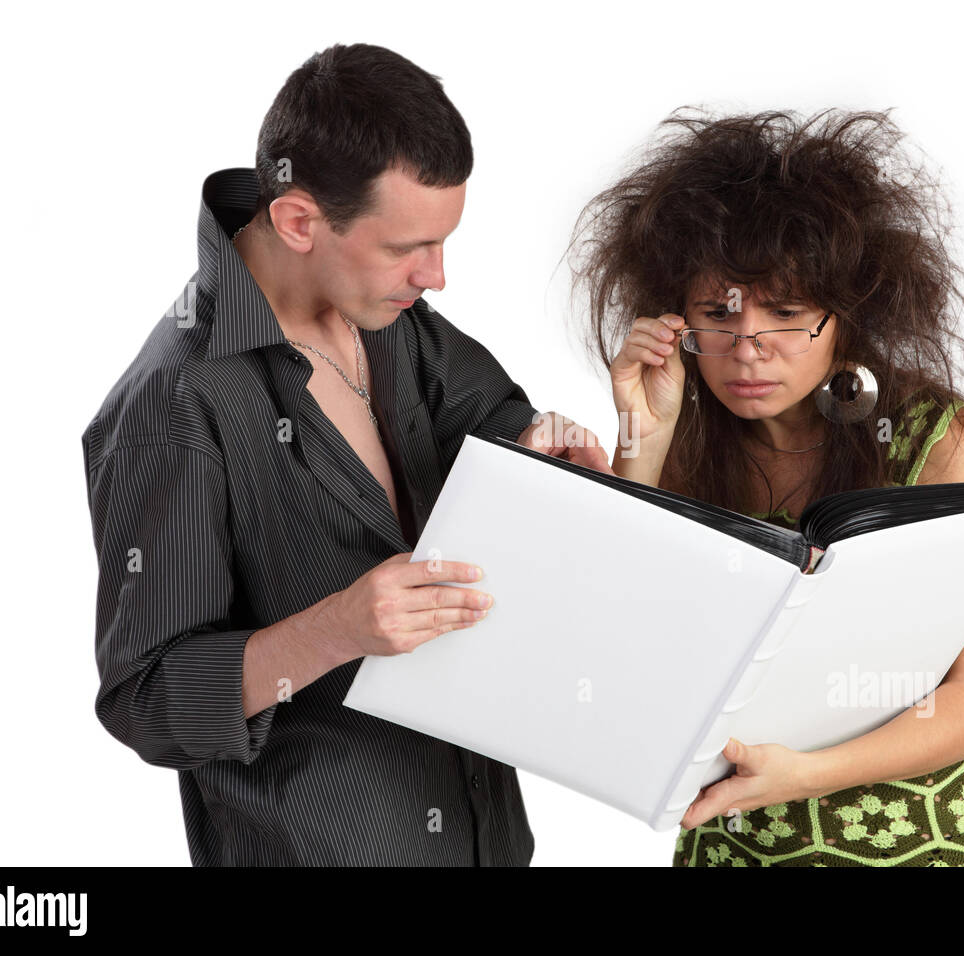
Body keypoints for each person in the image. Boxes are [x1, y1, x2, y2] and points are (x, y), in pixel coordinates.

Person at [81, 43, 607, 866]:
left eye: (443, 241)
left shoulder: (390, 318)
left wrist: (548, 457)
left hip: (485, 836)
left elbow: (497, 422)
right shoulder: (173, 404)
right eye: (408, 248)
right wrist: (338, 629)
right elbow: (147, 699)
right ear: (297, 221)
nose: (436, 276)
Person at [569, 107, 964, 866]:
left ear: (845, 317)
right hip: (731, 846)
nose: (749, 350)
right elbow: (620, 657)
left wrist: (804, 775)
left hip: (912, 846)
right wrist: (638, 451)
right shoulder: (684, 444)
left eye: (785, 314)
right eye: (719, 314)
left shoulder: (943, 447)